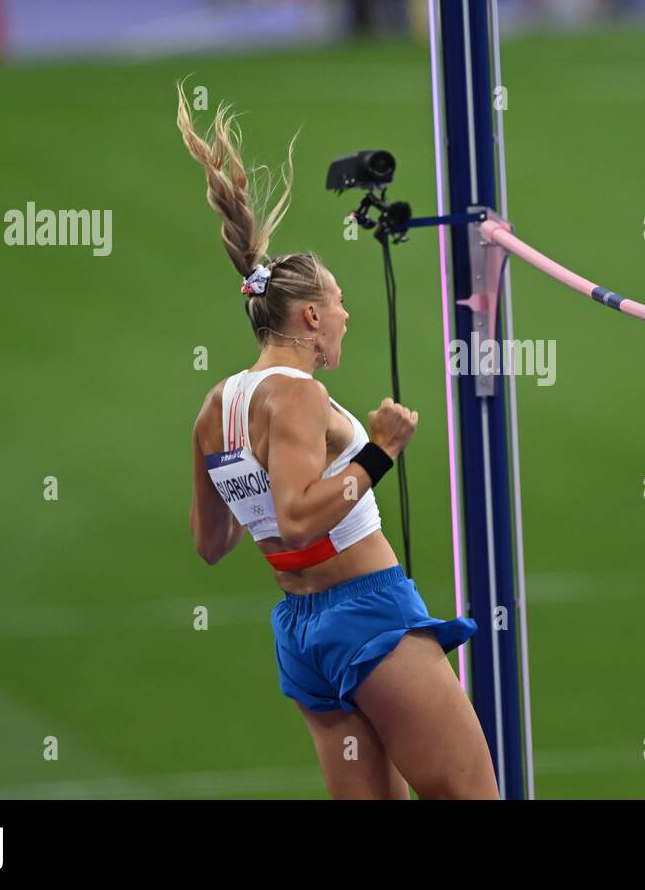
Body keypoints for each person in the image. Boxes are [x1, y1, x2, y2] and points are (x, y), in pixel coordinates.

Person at [176, 85, 499, 799]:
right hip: (367, 615)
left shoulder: (213, 408)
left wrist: (258, 498)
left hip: (301, 633)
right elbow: (296, 514)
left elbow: (212, 543)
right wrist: (379, 449)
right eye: (342, 302)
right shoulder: (296, 393)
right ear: (312, 315)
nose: (349, 316)